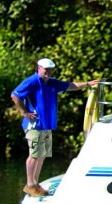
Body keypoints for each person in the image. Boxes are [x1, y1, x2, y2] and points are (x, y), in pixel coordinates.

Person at [12, 58, 74, 196]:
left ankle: (35, 183)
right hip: (34, 125)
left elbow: (70, 85)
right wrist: (24, 112)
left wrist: (88, 84)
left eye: (50, 70)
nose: (48, 73)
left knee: (42, 154)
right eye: (46, 70)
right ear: (39, 68)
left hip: (46, 124)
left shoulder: (51, 82)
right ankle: (30, 184)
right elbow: (15, 95)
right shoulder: (32, 81)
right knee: (34, 155)